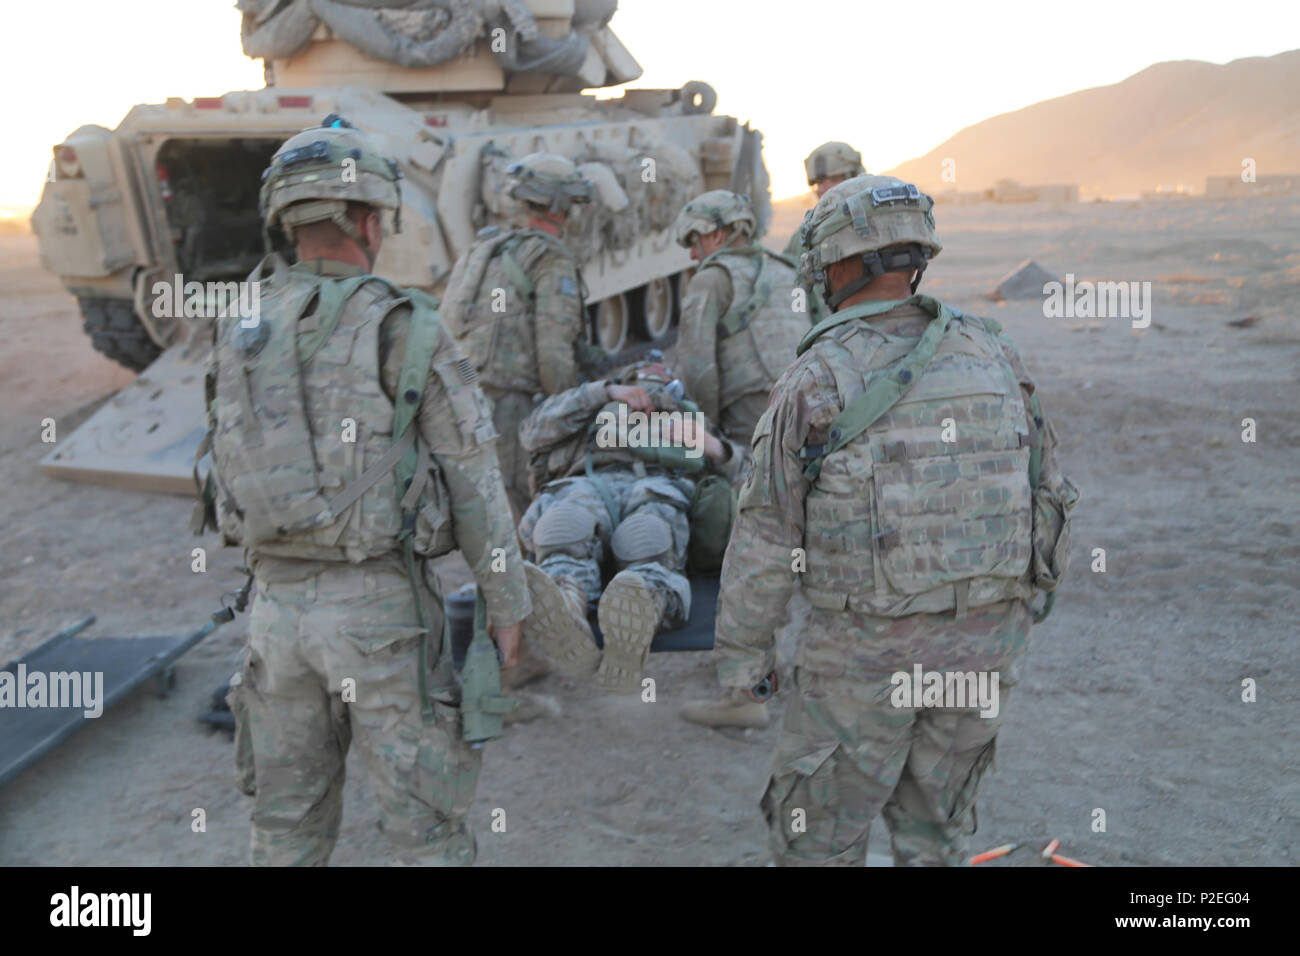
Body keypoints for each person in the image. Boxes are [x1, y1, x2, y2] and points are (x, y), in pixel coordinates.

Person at [200, 118, 547, 866]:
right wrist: (507, 605)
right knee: (424, 830)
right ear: (367, 218)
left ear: (287, 219)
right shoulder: (404, 324)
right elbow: (474, 475)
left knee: (285, 826)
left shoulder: (238, 327)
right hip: (381, 620)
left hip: (274, 617)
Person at [713, 174, 1078, 866]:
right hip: (984, 651)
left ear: (839, 264)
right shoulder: (994, 353)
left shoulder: (817, 377)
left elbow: (764, 537)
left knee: (816, 841)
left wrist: (744, 657)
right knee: (936, 837)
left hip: (861, 659)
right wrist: (1025, 606)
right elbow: (1048, 492)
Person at [514, 361, 746, 695]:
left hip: (658, 485)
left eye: (663, 372)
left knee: (647, 535)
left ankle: (642, 610)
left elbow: (753, 474)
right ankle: (567, 609)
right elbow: (532, 433)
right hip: (588, 481)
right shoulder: (593, 404)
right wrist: (605, 391)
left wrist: (714, 446)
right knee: (564, 526)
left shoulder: (689, 416)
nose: (653, 374)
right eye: (644, 371)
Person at [442, 152, 595, 523]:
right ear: (559, 206)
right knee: (523, 511)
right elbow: (553, 354)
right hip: (511, 405)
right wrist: (570, 412)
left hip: (461, 396)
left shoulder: (484, 248)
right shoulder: (549, 259)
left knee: (481, 505)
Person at [673, 189, 817, 452]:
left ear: (716, 235)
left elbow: (698, 369)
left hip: (751, 416)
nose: (693, 254)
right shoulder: (787, 270)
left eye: (695, 242)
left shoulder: (711, 279)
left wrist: (707, 430)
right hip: (809, 406)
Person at [781, 141, 865, 260]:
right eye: (819, 183)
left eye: (834, 179)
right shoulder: (807, 233)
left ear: (854, 178)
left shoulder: (880, 216)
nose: (822, 189)